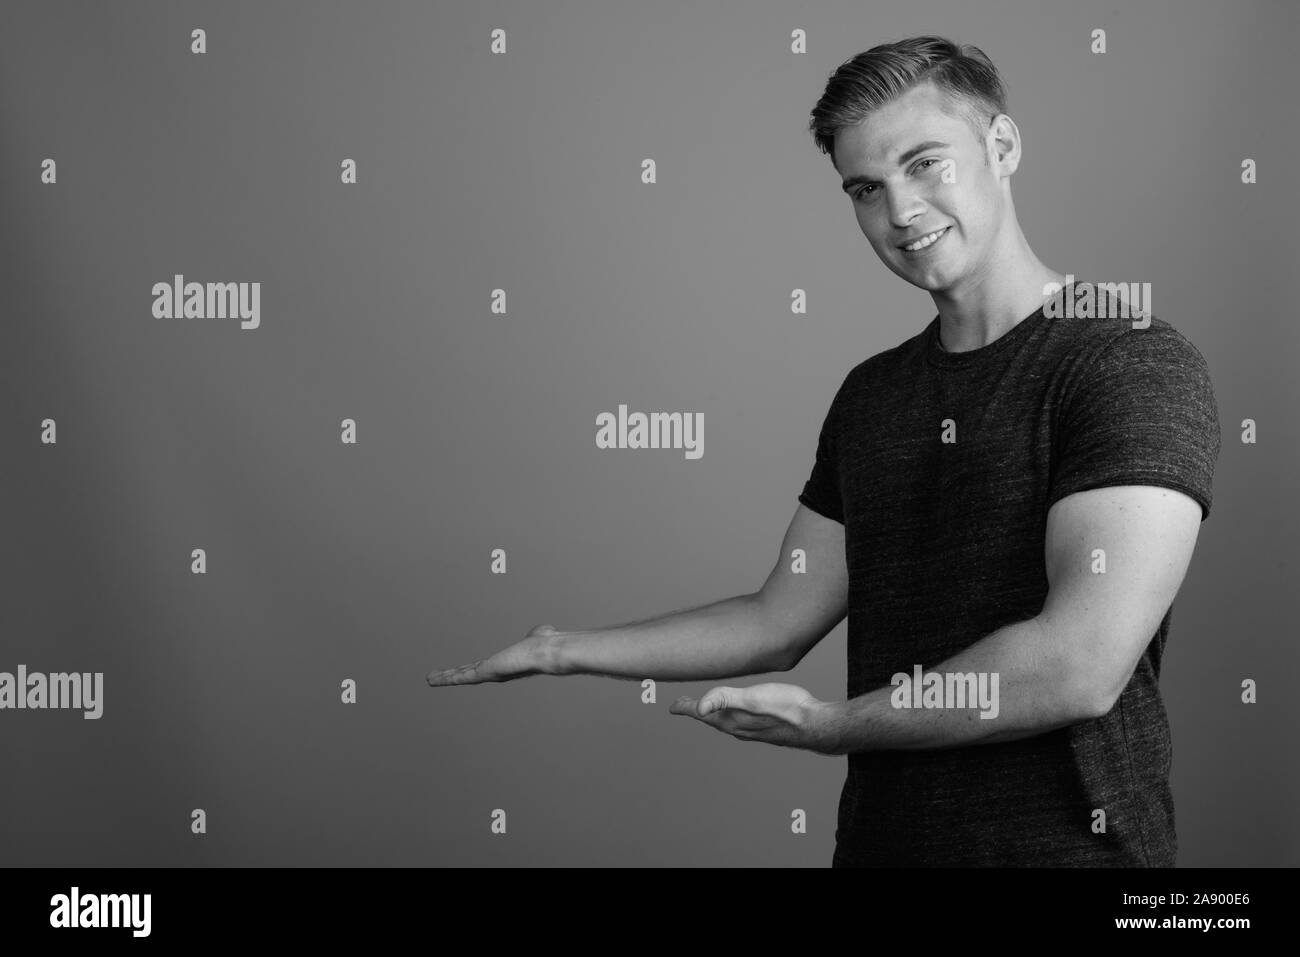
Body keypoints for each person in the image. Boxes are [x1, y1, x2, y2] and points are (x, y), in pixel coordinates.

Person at [427, 35, 1220, 867]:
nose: (901, 211)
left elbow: (1079, 663)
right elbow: (777, 619)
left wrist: (833, 726)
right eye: (867, 189)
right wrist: (563, 647)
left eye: (926, 164)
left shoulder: (1128, 359)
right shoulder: (874, 395)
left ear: (1003, 147)